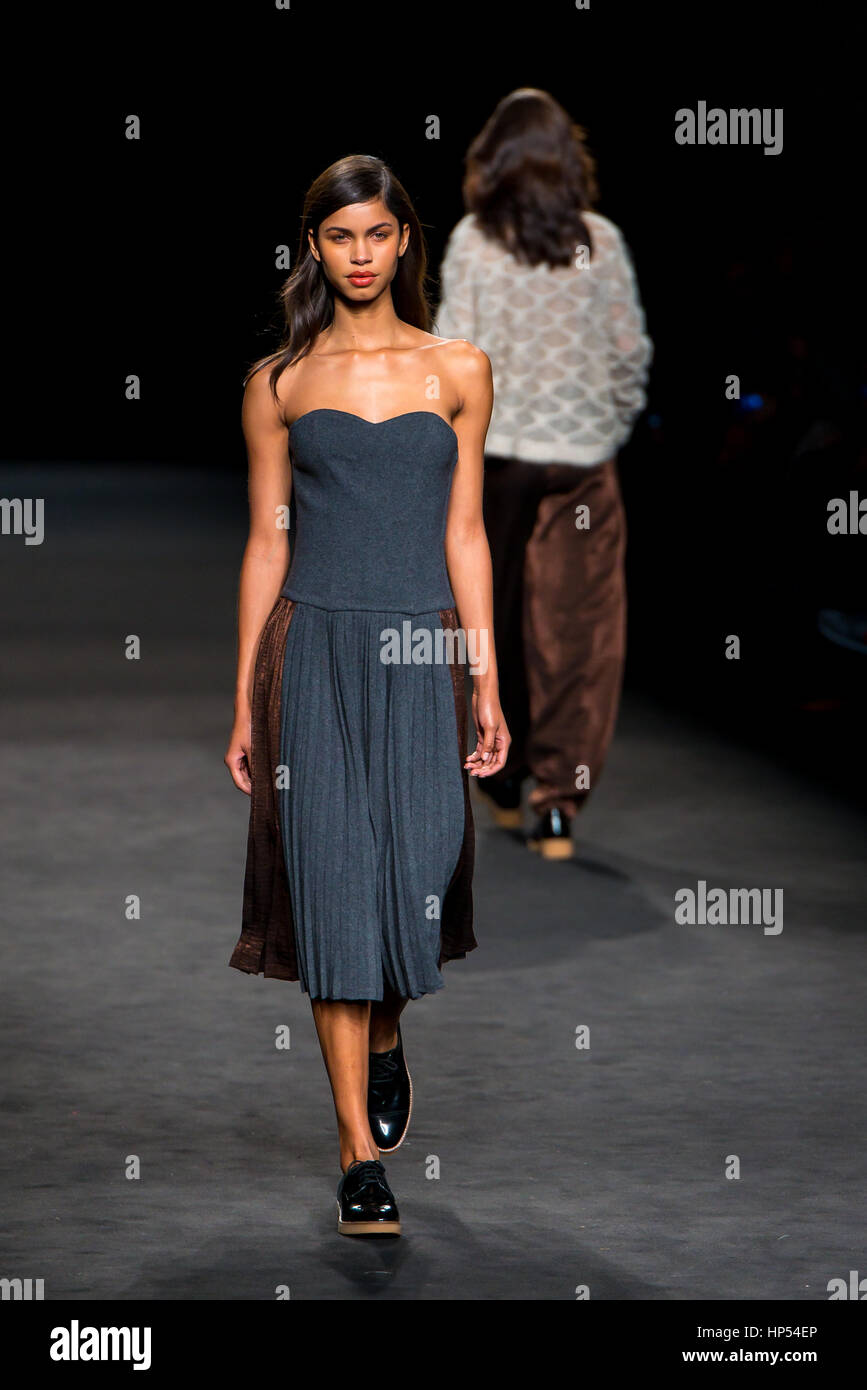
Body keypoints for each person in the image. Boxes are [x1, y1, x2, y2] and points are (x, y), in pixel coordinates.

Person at [224, 154, 509, 1237]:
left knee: (416, 877)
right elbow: (264, 542)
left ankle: (387, 1034)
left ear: (403, 242)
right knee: (336, 890)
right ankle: (358, 1154)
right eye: (339, 237)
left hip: (422, 649)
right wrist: (246, 698)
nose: (358, 255)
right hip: (316, 651)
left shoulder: (459, 369)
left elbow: (467, 534)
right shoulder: (278, 383)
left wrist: (485, 676)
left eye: (377, 235)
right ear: (316, 246)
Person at [435, 89, 653, 859]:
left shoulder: (472, 242)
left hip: (496, 461)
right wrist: (604, 428)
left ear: (490, 162)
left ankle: (500, 773)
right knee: (576, 630)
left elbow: (451, 350)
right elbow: (629, 354)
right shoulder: (600, 239)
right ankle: (558, 802)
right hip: (579, 464)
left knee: (492, 616)